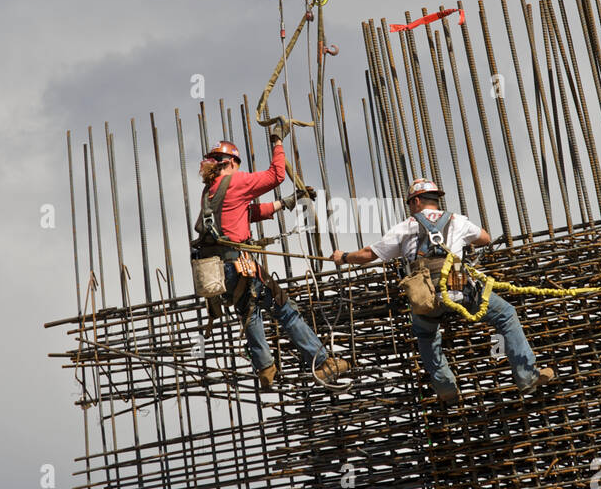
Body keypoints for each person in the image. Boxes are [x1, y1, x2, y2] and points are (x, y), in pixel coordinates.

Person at [330, 177, 554, 404]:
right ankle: (527, 377)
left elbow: (370, 254)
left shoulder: (404, 227)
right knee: (505, 315)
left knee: (427, 335)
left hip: (424, 298)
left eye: (410, 204)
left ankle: (445, 387)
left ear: (416, 201)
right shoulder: (457, 221)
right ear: (436, 200)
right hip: (459, 290)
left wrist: (344, 257)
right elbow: (485, 238)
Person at [192, 122, 348, 390]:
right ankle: (322, 362)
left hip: (221, 269)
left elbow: (246, 213)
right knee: (285, 309)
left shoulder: (210, 192)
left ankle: (265, 368)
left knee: (250, 312)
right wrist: (277, 141)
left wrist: (284, 203)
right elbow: (277, 175)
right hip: (240, 263)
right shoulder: (235, 181)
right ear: (230, 162)